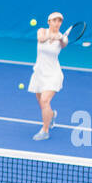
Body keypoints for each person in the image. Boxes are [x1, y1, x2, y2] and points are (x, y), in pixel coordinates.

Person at [29, 11, 69, 141]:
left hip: (53, 74)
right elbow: (41, 39)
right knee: (42, 104)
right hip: (39, 73)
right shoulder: (41, 31)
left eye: (59, 21)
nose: (57, 23)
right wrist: (50, 37)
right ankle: (51, 115)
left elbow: (63, 44)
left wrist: (60, 38)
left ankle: (45, 130)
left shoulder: (63, 38)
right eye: (54, 20)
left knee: (45, 100)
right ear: (49, 22)